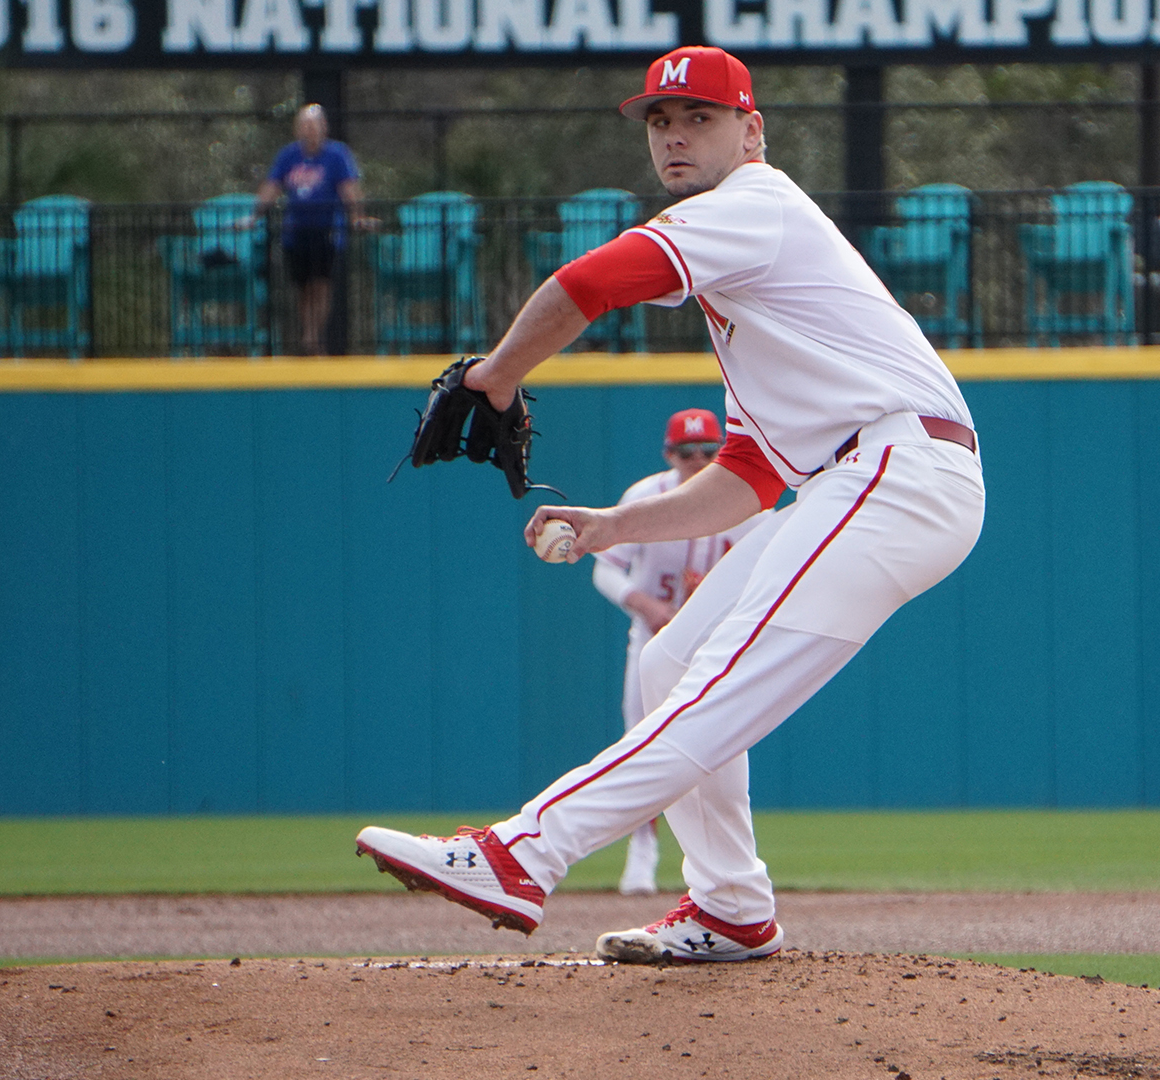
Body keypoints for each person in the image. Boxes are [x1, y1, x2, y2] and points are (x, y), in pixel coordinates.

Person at [355, 45, 984, 964]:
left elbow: (596, 283)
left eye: (699, 117)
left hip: (898, 472)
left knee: (715, 683)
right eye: (660, 120)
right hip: (859, 478)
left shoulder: (752, 208)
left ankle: (523, 851)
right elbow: (749, 478)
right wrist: (616, 525)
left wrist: (494, 379)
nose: (676, 135)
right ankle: (730, 907)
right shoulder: (748, 287)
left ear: (751, 130)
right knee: (672, 660)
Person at [592, 407, 768, 897]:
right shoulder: (645, 497)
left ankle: (728, 865)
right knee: (642, 741)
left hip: (717, 644)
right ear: (669, 453)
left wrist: (711, 597)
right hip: (653, 640)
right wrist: (642, 602)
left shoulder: (744, 503)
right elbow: (605, 570)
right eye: (687, 451)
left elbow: (765, 571)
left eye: (709, 451)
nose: (697, 459)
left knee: (723, 746)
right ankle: (642, 853)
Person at [245, 104, 375, 354]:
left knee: (321, 283)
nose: (309, 130)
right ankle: (308, 334)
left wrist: (358, 216)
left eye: (313, 125)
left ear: (323, 128)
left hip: (326, 230)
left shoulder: (337, 155)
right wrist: (254, 216)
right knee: (303, 286)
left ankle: (313, 337)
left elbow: (349, 189)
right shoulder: (288, 156)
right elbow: (272, 186)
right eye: (304, 125)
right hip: (296, 231)